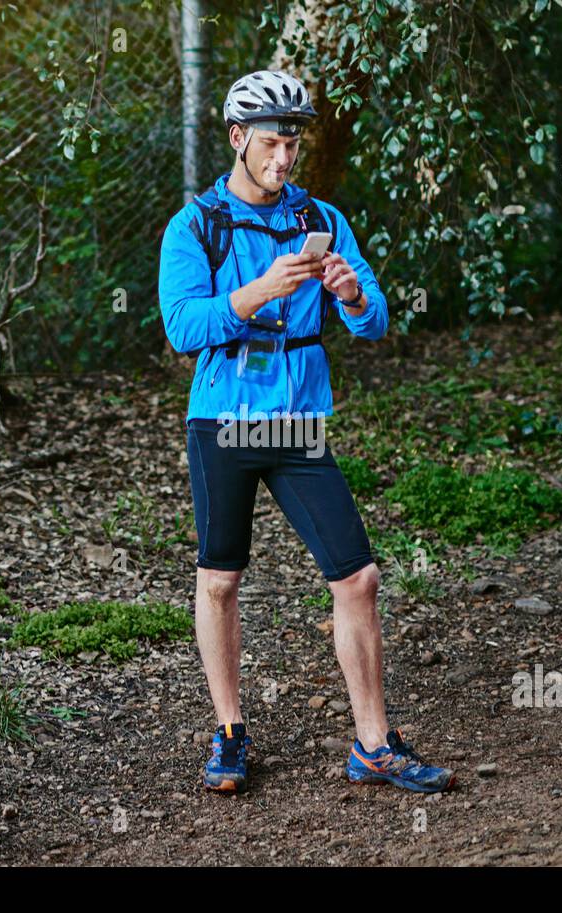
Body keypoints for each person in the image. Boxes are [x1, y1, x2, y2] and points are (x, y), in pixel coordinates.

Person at [157, 69, 455, 795]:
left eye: (291, 145)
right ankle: (229, 730)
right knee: (221, 580)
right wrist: (260, 293)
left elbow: (375, 320)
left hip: (298, 424)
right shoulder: (195, 225)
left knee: (358, 575)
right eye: (269, 145)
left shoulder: (320, 216)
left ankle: (374, 745)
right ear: (237, 139)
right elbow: (181, 327)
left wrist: (350, 294)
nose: (283, 160)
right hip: (223, 421)